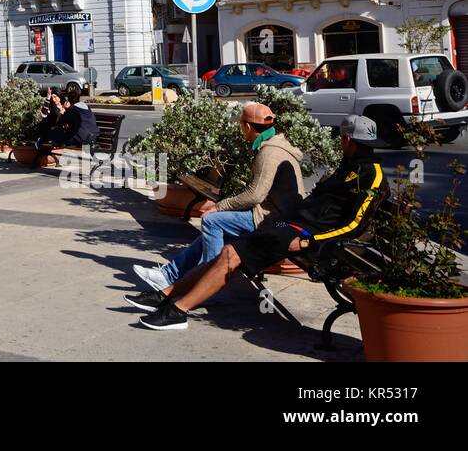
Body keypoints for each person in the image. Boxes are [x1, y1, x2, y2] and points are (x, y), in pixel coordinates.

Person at [131, 115, 387, 331]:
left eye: (343, 139)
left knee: (230, 253)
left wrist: (310, 240)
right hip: (288, 226)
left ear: (348, 140)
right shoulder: (348, 167)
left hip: (305, 237)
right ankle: (167, 295)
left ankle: (177, 309)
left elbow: (355, 225)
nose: (341, 142)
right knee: (229, 250)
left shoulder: (371, 175)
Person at [133, 102, 303, 292]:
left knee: (212, 221)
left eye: (241, 126)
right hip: (276, 215)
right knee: (214, 227)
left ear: (247, 127)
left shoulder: (269, 152)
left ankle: (206, 285)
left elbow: (255, 194)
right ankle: (168, 275)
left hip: (273, 221)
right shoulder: (278, 145)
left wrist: (220, 206)